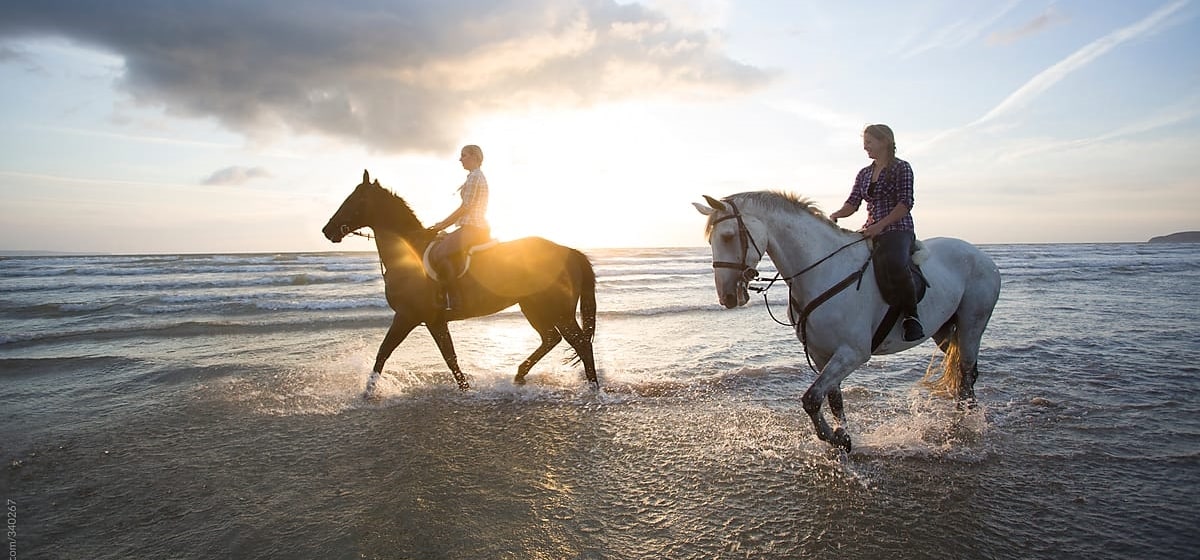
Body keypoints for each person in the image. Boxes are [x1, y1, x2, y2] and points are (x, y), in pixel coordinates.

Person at [828, 124, 925, 342]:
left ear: (885, 142)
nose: (866, 148)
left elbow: (905, 203)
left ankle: (912, 316)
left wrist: (880, 226)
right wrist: (834, 215)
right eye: (865, 144)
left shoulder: (902, 168)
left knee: (895, 263)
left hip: (898, 229)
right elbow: (852, 204)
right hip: (870, 230)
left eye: (869, 143)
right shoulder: (864, 173)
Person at [427, 144, 490, 311]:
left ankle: (454, 299)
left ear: (475, 157)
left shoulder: (475, 177)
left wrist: (442, 224)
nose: (460, 159)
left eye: (464, 155)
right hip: (471, 226)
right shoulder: (473, 176)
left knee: (440, 252)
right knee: (441, 244)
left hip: (473, 227)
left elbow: (466, 207)